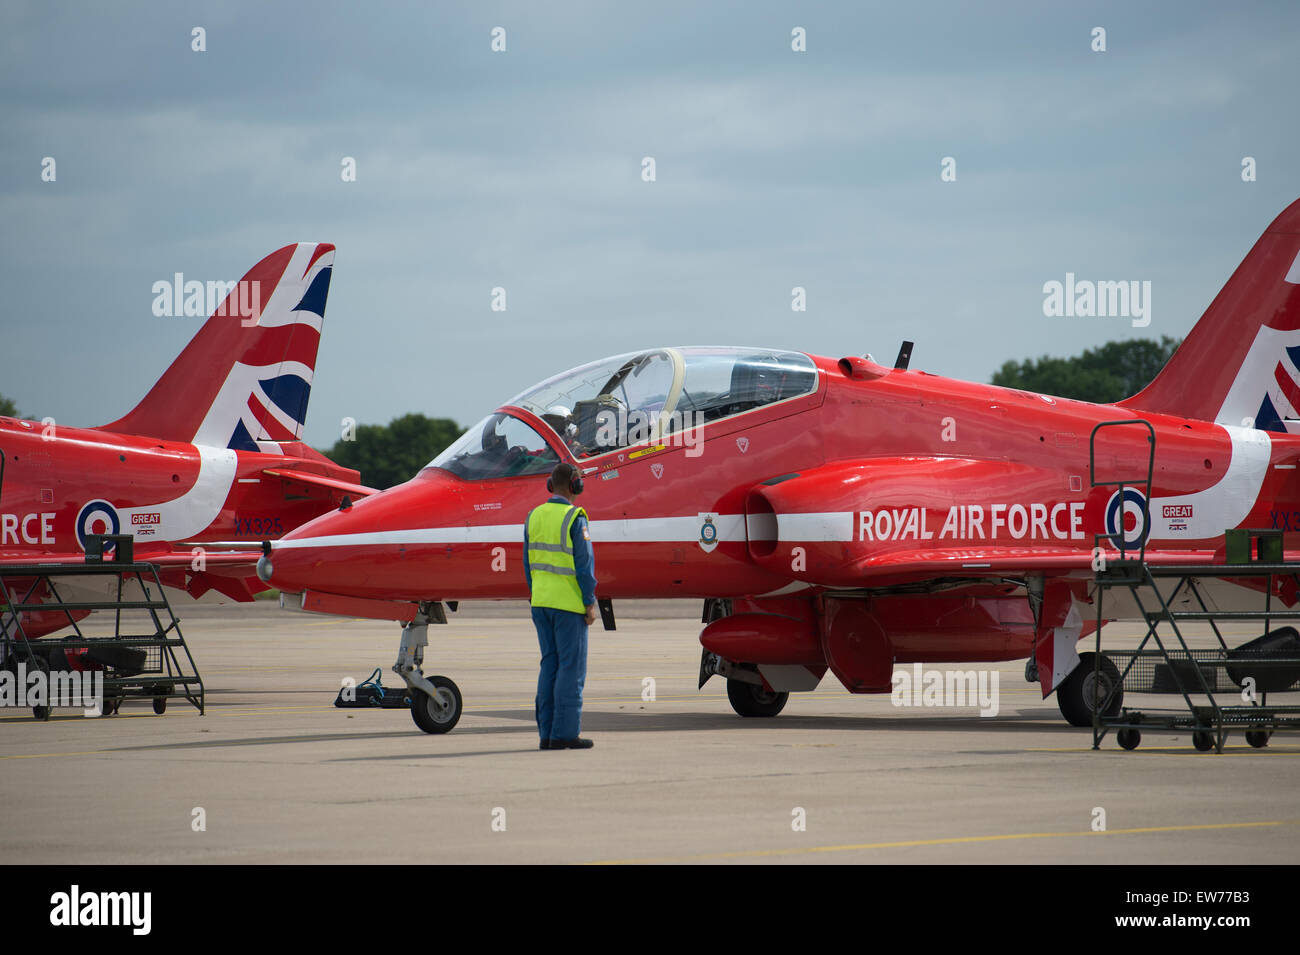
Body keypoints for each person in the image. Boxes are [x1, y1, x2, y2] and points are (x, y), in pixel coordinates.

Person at [524, 461, 598, 750]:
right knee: (571, 669)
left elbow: (527, 564)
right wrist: (589, 602)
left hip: (540, 603)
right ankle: (565, 734)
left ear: (550, 486)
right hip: (568, 605)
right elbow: (585, 566)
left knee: (549, 665)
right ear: (575, 486)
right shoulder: (575, 518)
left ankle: (547, 735)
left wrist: (537, 594)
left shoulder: (533, 516)